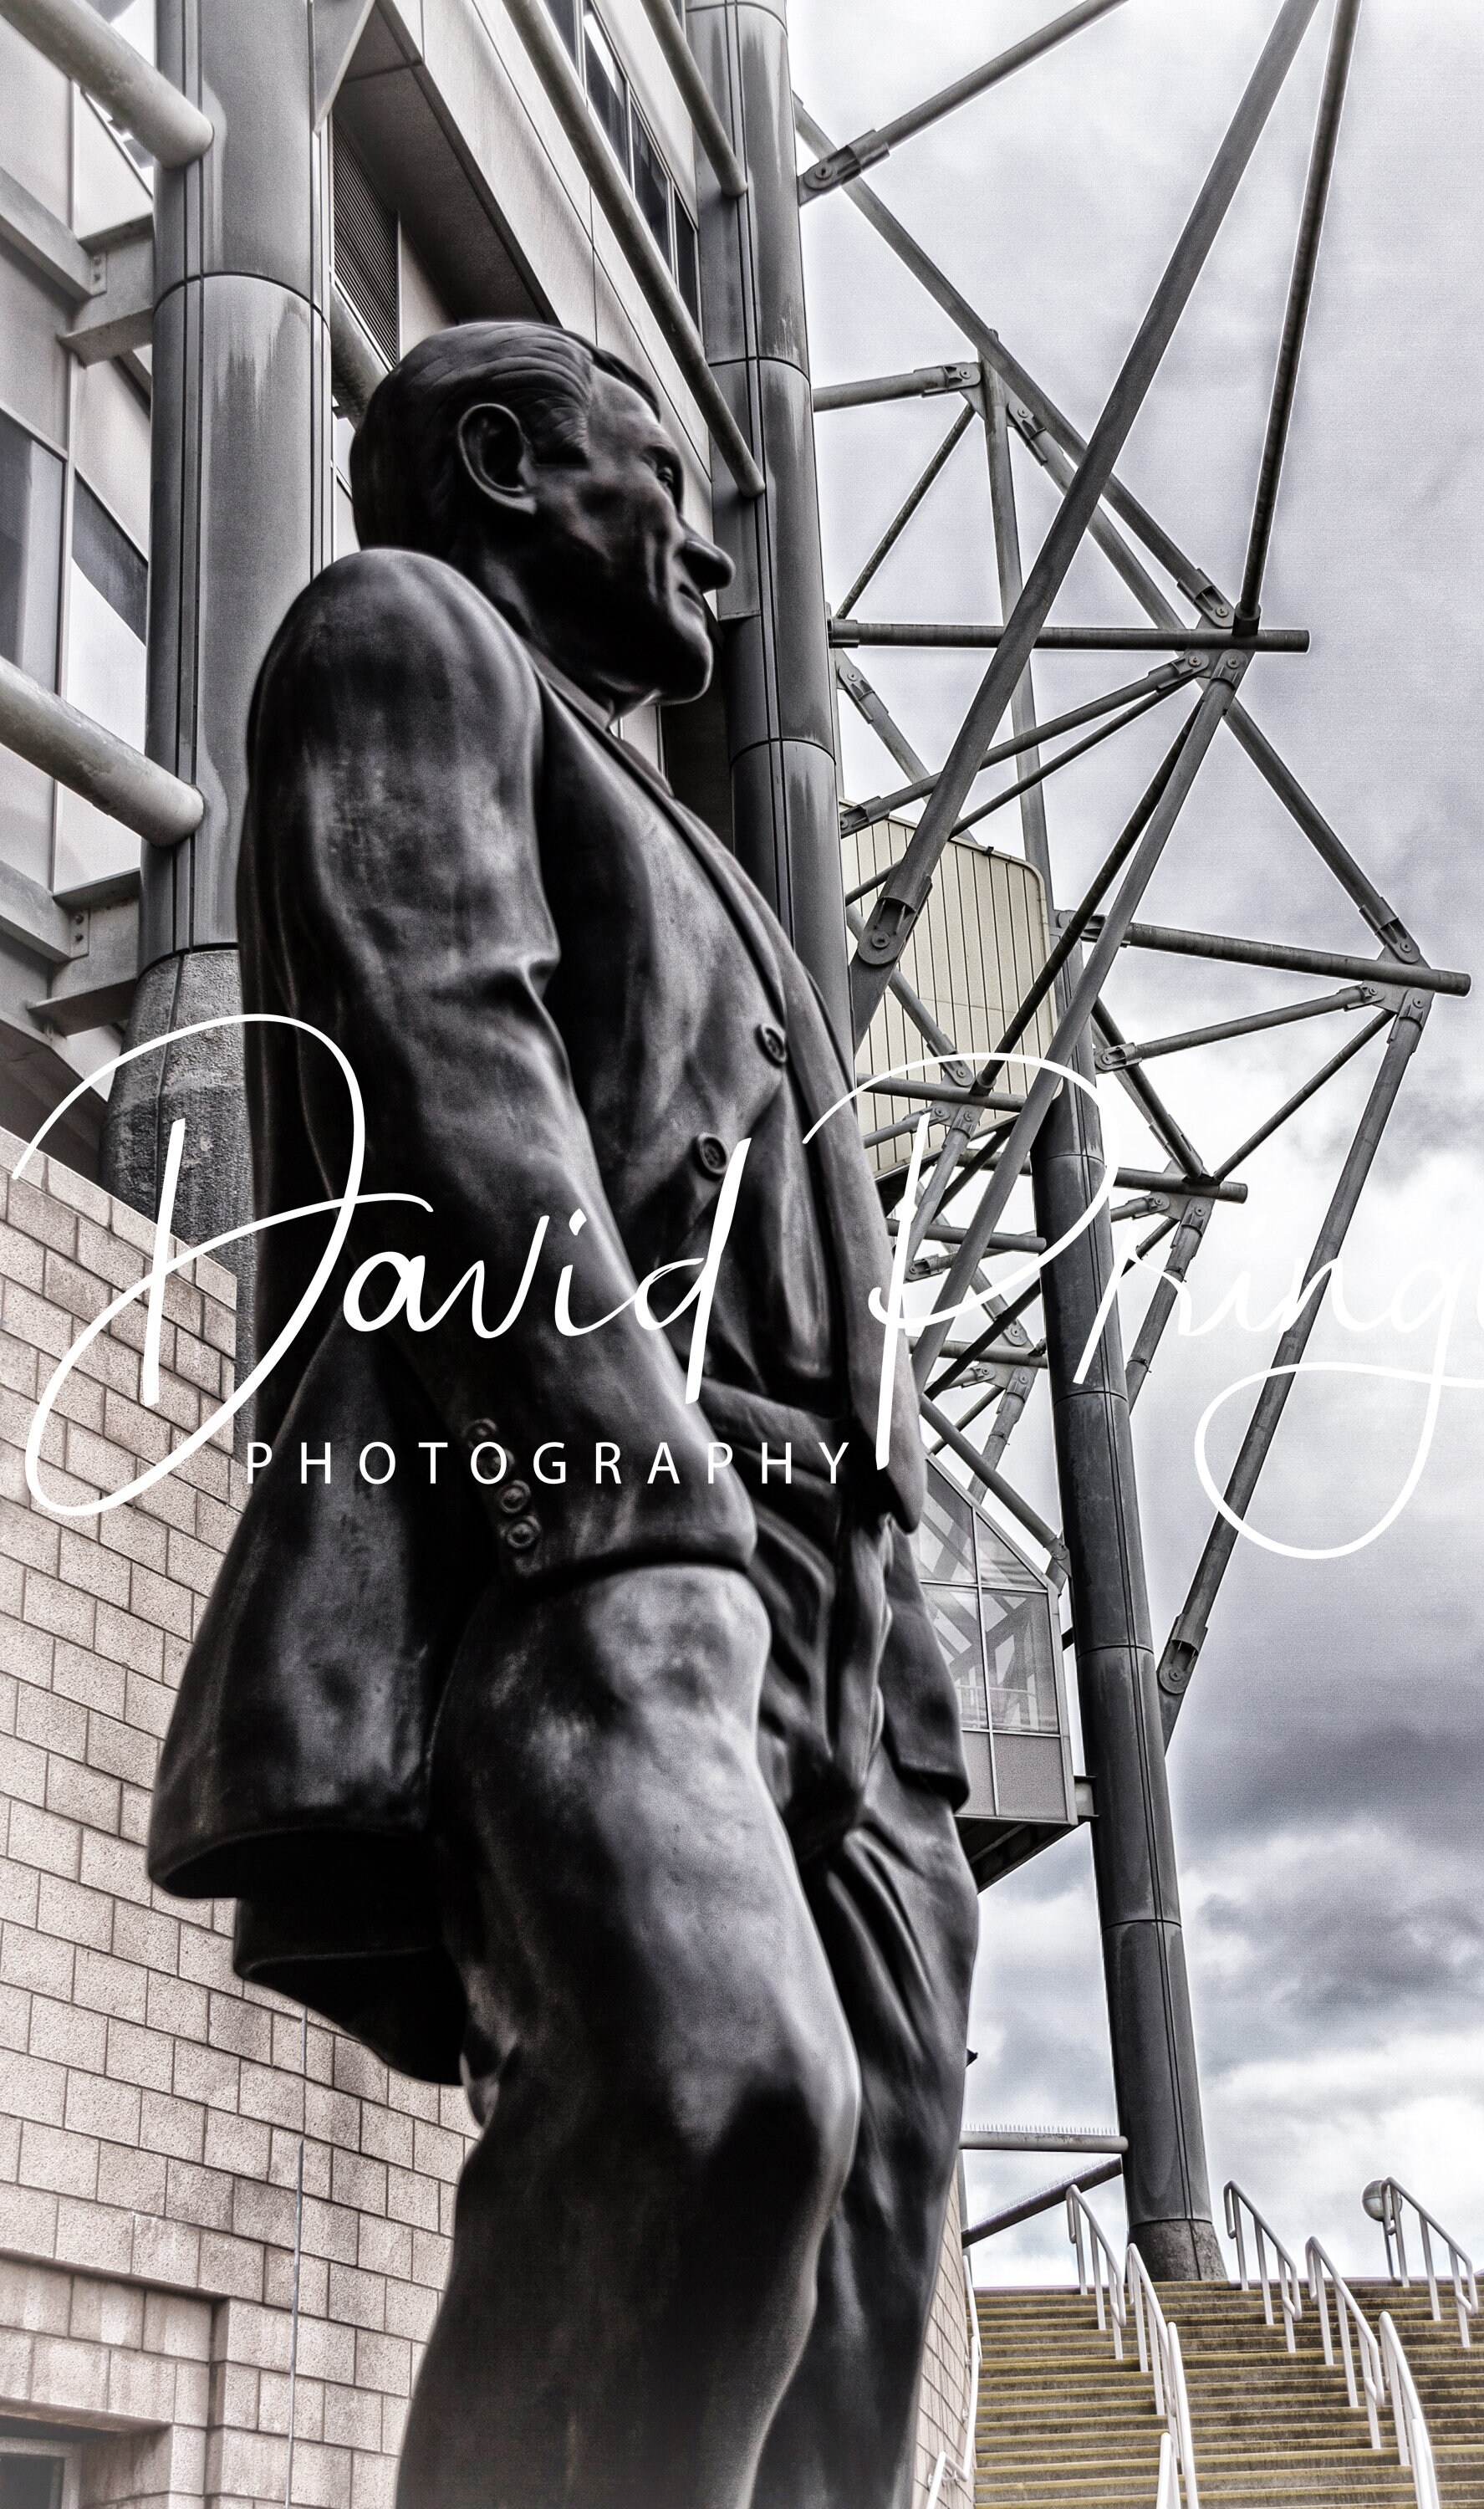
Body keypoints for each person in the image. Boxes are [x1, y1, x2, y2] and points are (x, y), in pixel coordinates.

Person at [147, 320, 977, 2509]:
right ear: (510, 461)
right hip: (611, 1527)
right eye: (664, 482)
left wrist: (894, 1654)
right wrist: (626, 1490)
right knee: (715, 2101)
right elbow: (445, 1057)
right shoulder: (407, 633)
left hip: (841, 1629)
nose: (713, 551)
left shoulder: (699, 848)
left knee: (861, 2274)